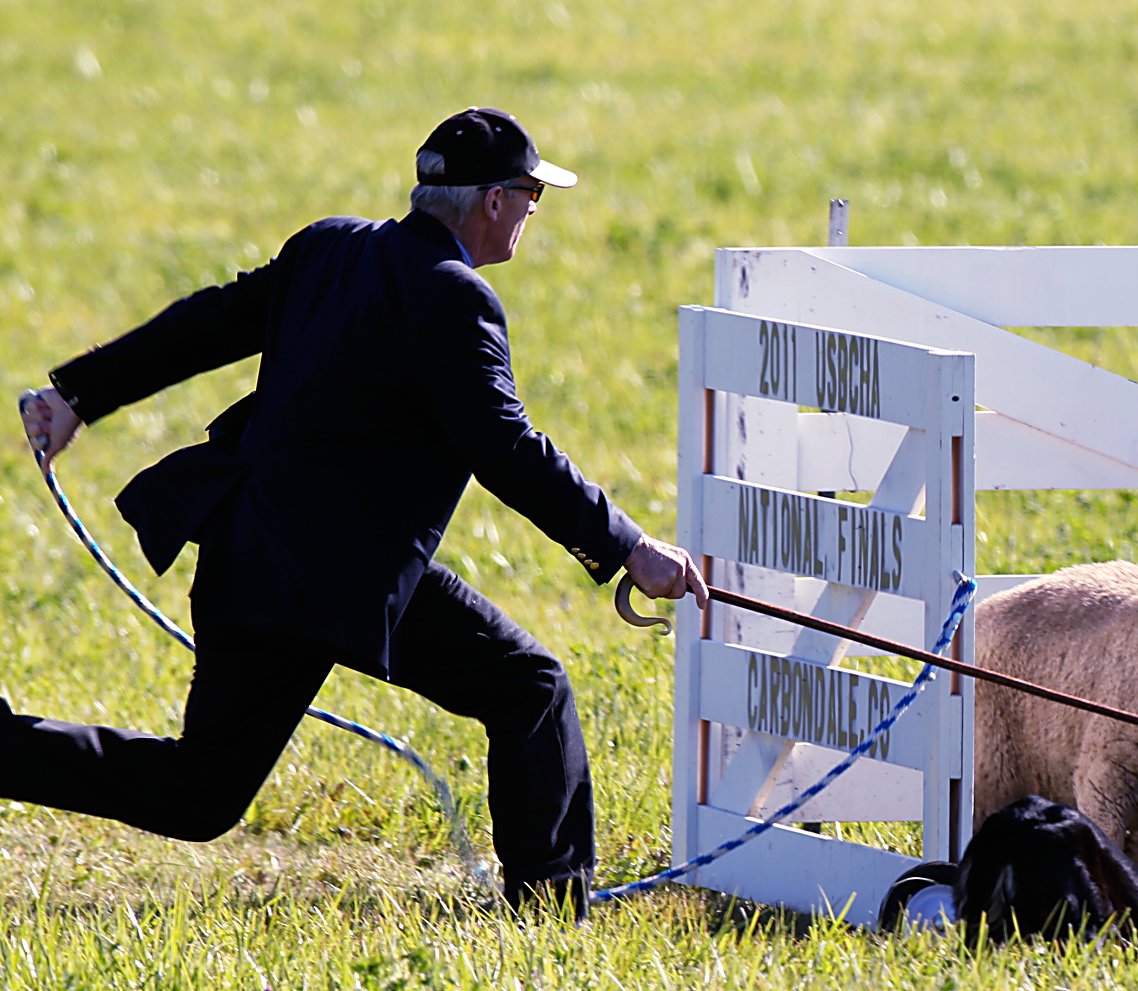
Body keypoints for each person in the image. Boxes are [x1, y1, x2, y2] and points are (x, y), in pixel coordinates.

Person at [8, 107, 707, 918]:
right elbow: (507, 449)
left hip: (251, 548)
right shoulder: (457, 300)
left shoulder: (330, 247)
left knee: (199, 793)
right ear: (492, 202)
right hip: (330, 580)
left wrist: (79, 395)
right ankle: (551, 911)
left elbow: (209, 322)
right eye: (530, 195)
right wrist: (630, 548)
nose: (532, 211)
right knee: (529, 687)